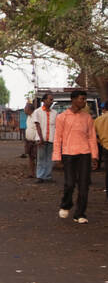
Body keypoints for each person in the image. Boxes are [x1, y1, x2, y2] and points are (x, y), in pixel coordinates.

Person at [53, 89, 97, 223]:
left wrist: (94, 156)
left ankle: (80, 214)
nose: (83, 102)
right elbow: (58, 138)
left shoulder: (87, 118)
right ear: (73, 100)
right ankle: (66, 204)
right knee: (70, 184)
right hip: (68, 154)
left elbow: (92, 138)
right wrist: (57, 157)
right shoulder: (62, 117)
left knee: (84, 185)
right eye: (81, 99)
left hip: (85, 154)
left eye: (84, 99)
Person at [31, 93, 57, 182]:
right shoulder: (37, 112)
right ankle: (40, 176)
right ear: (44, 100)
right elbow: (37, 125)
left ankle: (47, 176)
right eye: (50, 99)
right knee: (41, 158)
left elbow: (56, 126)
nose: (51, 101)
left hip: (51, 138)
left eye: (52, 99)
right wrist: (41, 138)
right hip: (41, 139)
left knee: (49, 158)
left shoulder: (55, 113)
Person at [95, 105, 108, 199]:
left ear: (104, 109)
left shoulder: (98, 120)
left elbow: (92, 135)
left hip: (105, 147)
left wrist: (101, 142)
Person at [21, 101, 37, 176]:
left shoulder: (35, 116)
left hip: (35, 141)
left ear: (29, 109)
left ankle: (39, 174)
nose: (24, 109)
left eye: (25, 108)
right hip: (29, 140)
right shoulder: (28, 117)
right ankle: (32, 173)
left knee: (37, 157)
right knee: (31, 157)